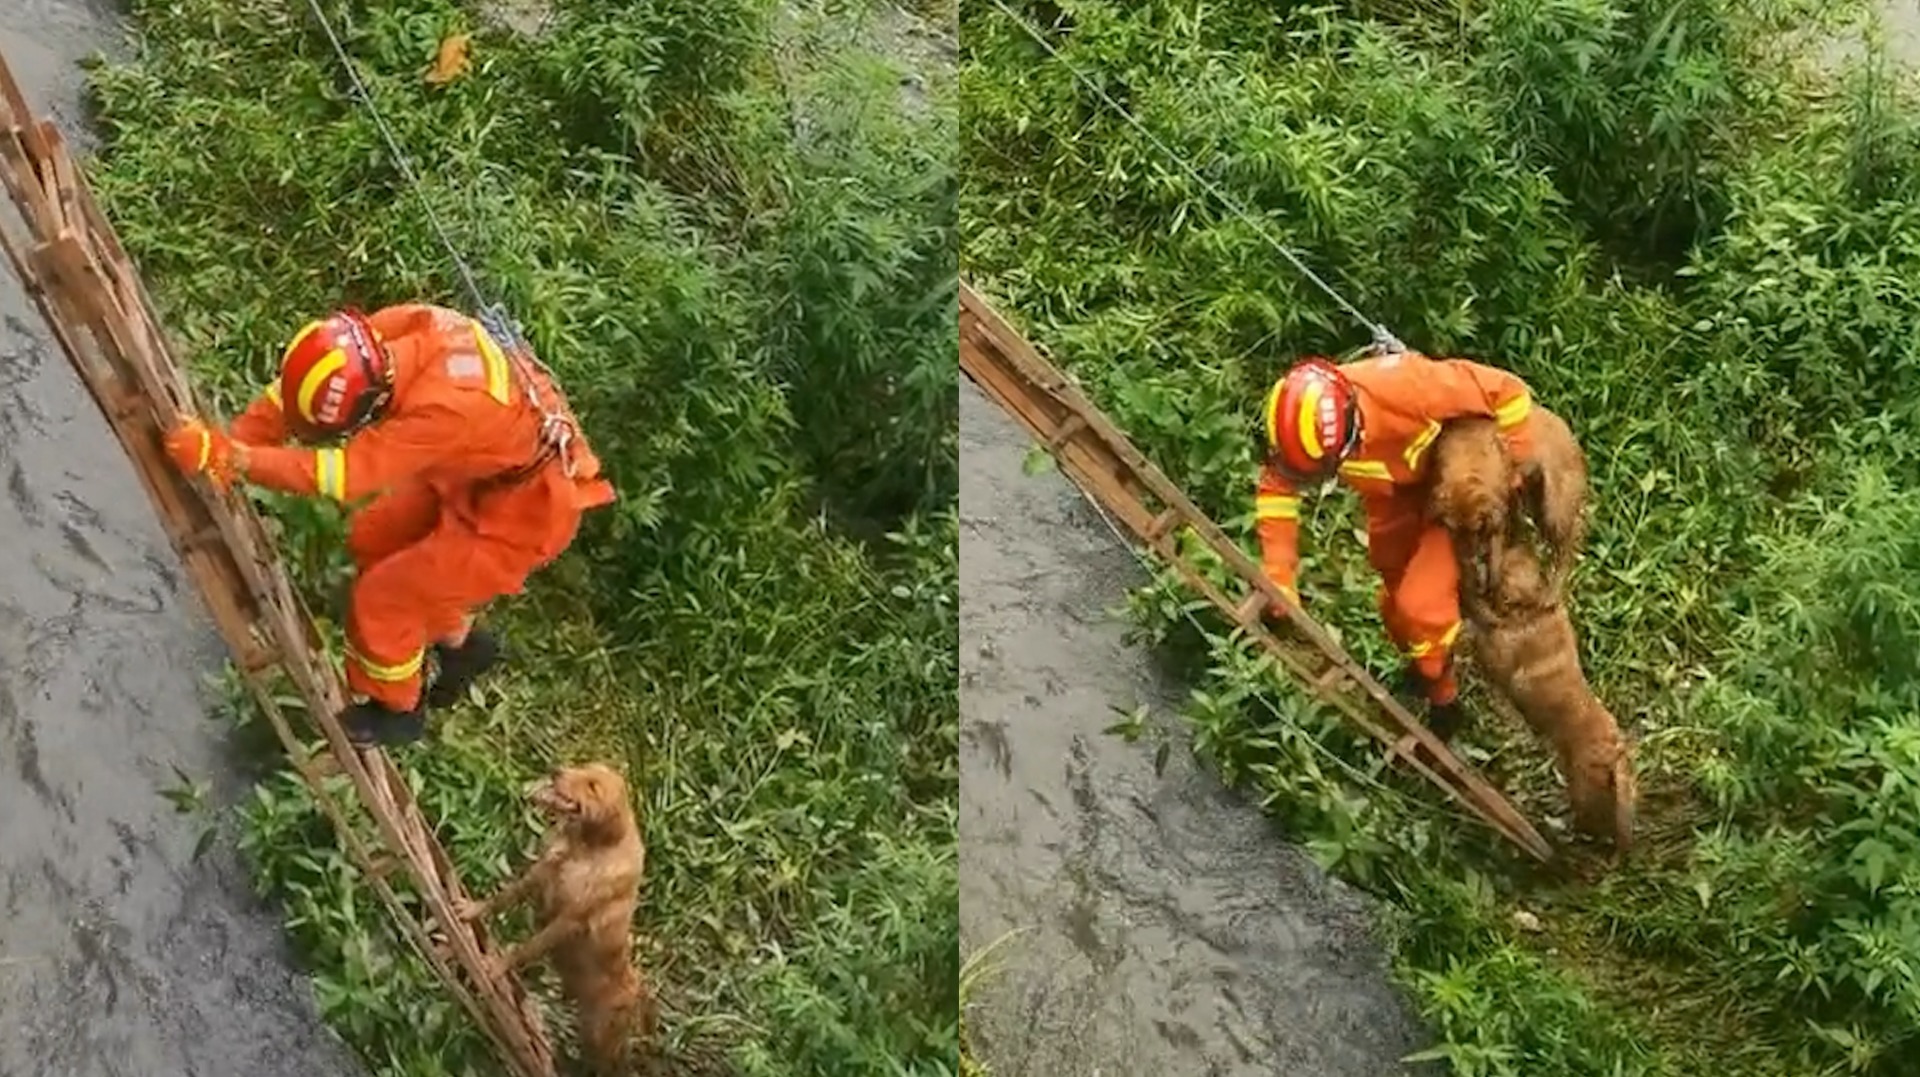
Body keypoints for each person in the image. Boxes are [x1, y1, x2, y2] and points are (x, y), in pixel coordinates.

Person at [163, 303, 616, 746]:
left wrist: (237, 459)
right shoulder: (389, 336)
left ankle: (399, 710)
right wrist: (235, 443)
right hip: (481, 469)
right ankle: (461, 646)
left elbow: (343, 475)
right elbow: (291, 393)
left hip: (528, 513)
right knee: (374, 536)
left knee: (384, 599)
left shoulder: (444, 409)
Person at [1254, 348, 1536, 739]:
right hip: (1394, 497)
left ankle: (1443, 697)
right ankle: (1425, 666)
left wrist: (1516, 472)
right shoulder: (1307, 431)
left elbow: (1505, 390)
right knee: (1392, 598)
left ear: (1350, 441)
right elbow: (1278, 486)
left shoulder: (1408, 387)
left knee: (1420, 607)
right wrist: (1279, 577)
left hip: (1453, 498)